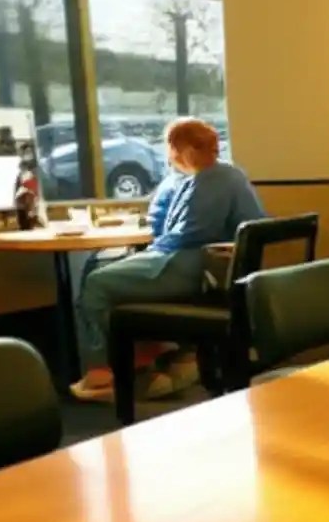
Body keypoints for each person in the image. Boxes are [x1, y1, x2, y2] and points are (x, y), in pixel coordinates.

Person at [70, 117, 264, 401]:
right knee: (111, 272)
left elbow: (190, 233)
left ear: (182, 150)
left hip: (190, 266)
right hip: (209, 268)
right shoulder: (224, 176)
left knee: (97, 282)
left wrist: (153, 249)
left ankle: (108, 371)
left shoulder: (211, 179)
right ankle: (154, 354)